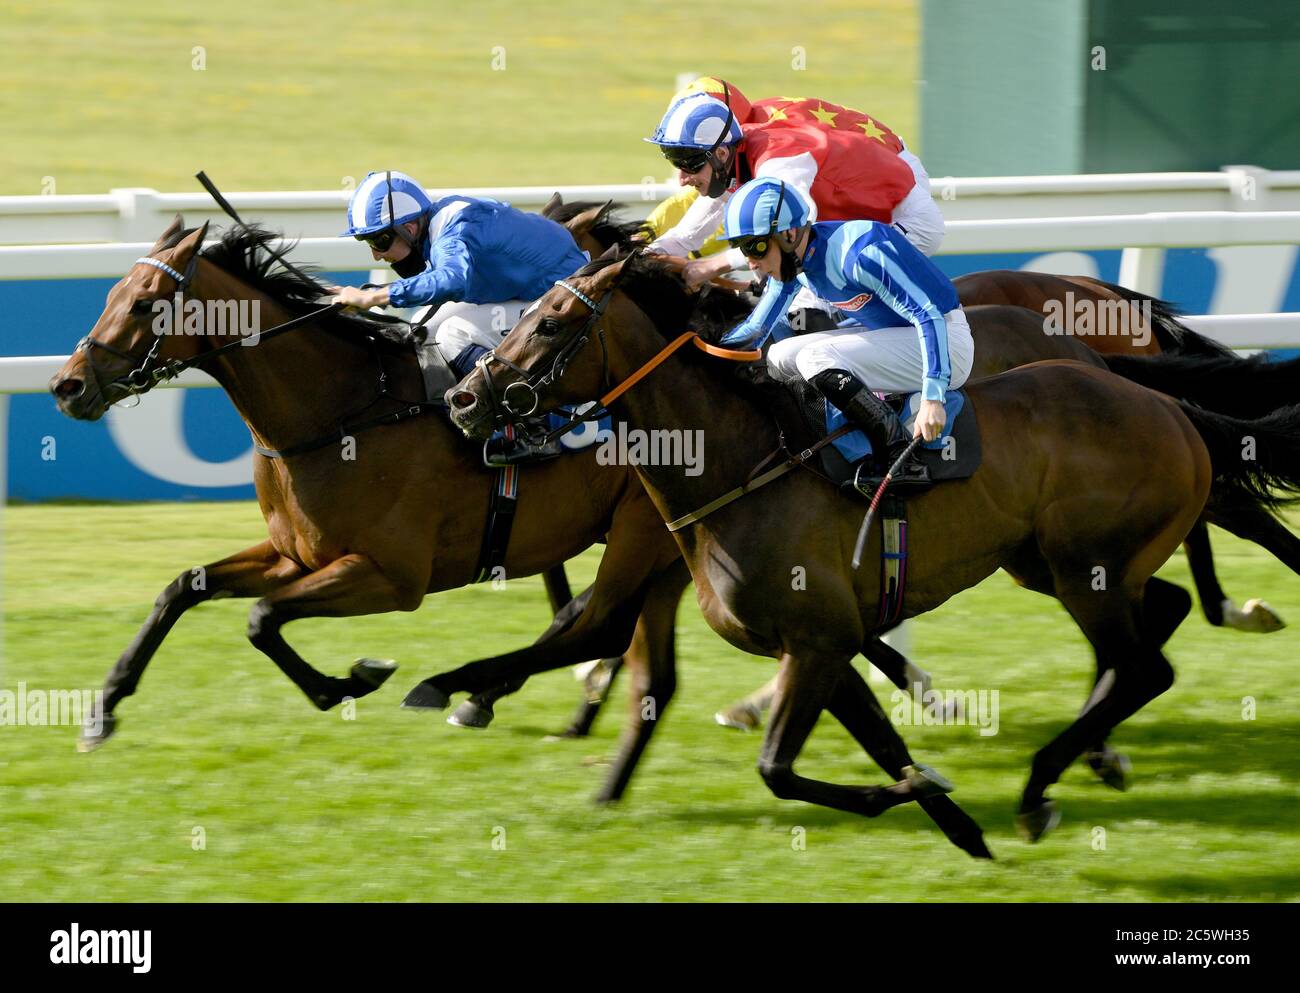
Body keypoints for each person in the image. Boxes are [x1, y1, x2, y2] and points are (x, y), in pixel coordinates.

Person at [720, 177, 974, 489]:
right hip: (900, 340)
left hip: (947, 344)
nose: (750, 261)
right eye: (744, 248)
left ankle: (899, 454)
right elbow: (755, 331)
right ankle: (853, 445)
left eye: (755, 246)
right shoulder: (794, 263)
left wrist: (933, 398)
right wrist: (690, 351)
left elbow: (927, 315)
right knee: (779, 357)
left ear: (789, 233)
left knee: (816, 356)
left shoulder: (860, 254)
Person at [644, 76, 945, 333]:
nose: (682, 178)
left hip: (907, 216)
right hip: (860, 185)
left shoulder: (777, 160)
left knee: (801, 297)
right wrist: (633, 260)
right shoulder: (732, 155)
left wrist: (712, 264)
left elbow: (792, 233)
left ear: (720, 153)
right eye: (675, 162)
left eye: (688, 163)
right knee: (787, 282)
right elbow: (687, 236)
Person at [332, 171, 590, 462]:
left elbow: (451, 279)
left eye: (379, 240)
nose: (376, 255)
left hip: (567, 299)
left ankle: (532, 430)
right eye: (368, 243)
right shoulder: (441, 223)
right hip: (540, 291)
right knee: (424, 328)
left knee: (453, 333)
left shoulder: (453, 228)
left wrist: (375, 296)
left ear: (410, 227)